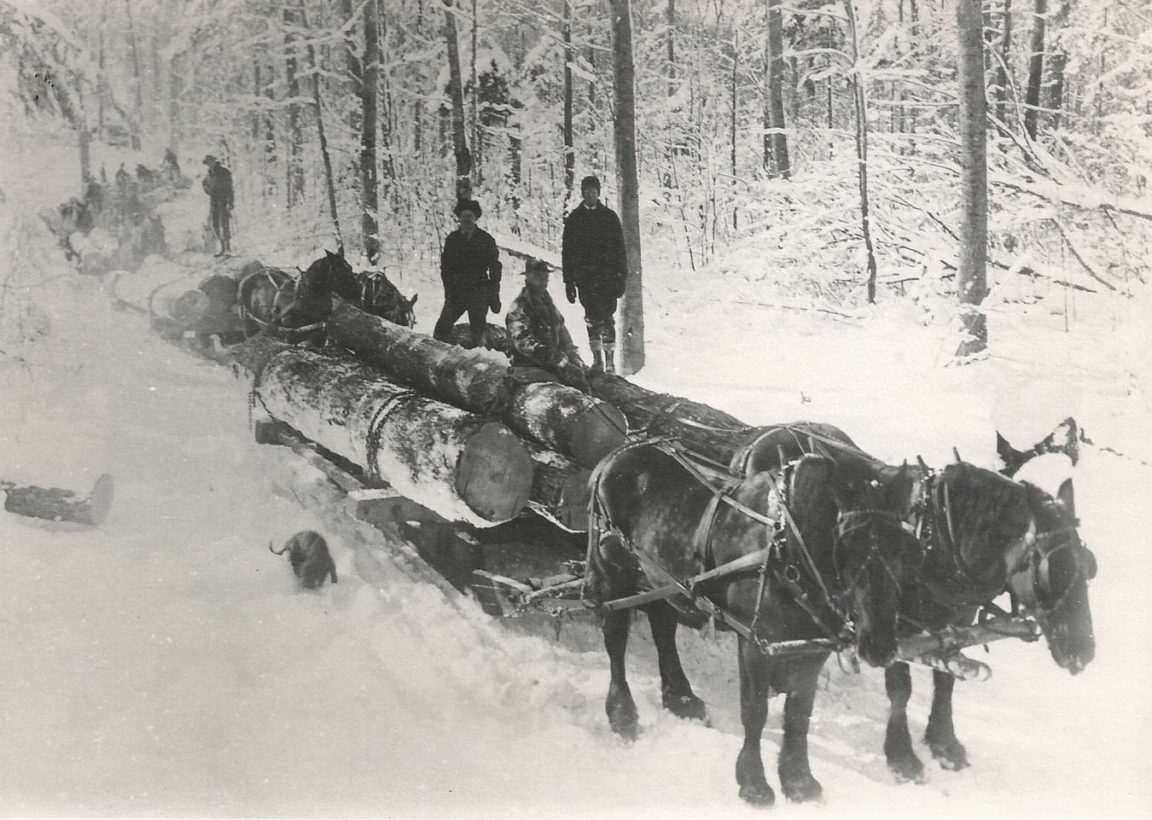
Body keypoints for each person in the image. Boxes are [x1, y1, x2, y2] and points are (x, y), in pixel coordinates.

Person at [561, 174, 627, 374]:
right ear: (582, 193)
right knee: (591, 319)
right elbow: (567, 252)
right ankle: (597, 360)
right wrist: (569, 282)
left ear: (598, 193)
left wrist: (620, 279)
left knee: (607, 319)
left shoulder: (609, 217)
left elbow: (620, 251)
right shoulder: (574, 218)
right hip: (586, 280)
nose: (590, 195)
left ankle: (610, 362)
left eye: (594, 191)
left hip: (607, 279)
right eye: (587, 191)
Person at [506, 258, 588, 391]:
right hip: (528, 367)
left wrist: (573, 357)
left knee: (582, 378)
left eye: (545, 277)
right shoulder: (520, 307)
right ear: (528, 278)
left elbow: (564, 335)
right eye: (538, 277)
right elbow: (524, 343)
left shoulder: (549, 306)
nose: (543, 281)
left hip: (552, 365)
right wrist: (556, 358)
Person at [433, 198, 502, 347]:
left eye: (470, 216)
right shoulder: (452, 240)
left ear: (475, 218)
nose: (466, 220)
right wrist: (449, 292)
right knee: (441, 330)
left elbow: (495, 269)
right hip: (458, 291)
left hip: (479, 292)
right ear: (459, 218)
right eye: (463, 216)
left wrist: (493, 296)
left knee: (478, 335)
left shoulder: (486, 239)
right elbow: (446, 269)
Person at [201, 154, 234, 257]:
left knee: (225, 224)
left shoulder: (224, 172)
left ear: (214, 161)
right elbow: (205, 185)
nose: (209, 164)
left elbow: (230, 189)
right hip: (214, 202)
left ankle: (227, 248)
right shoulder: (209, 175)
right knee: (215, 225)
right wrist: (207, 190)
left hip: (223, 201)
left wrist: (230, 202)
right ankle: (222, 248)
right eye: (207, 163)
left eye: (210, 162)